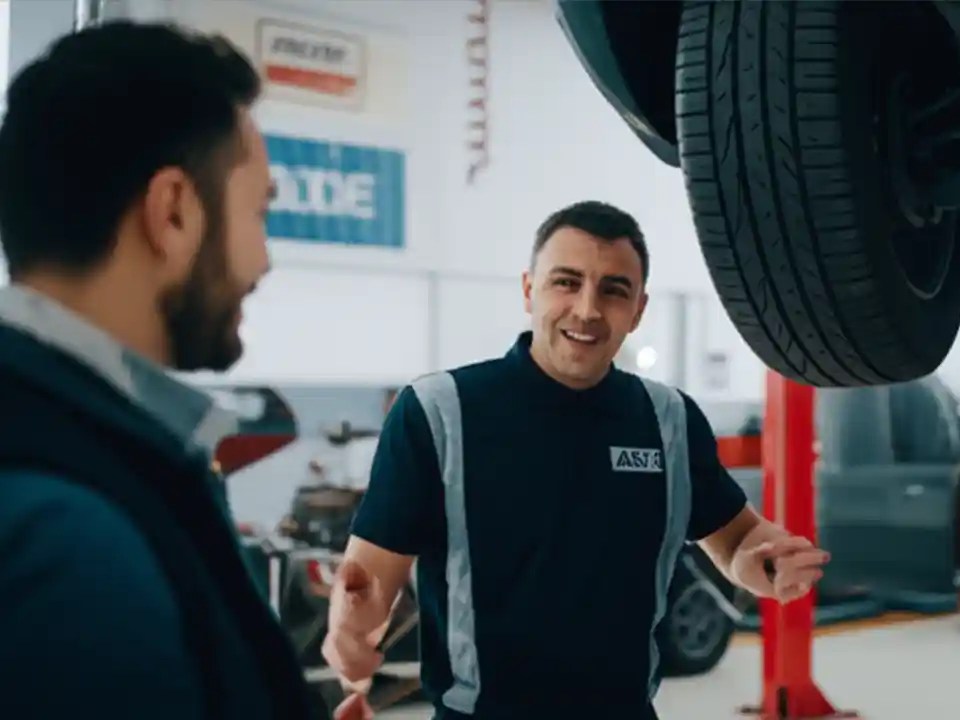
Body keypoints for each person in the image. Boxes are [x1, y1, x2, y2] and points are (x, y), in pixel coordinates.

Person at [324, 201, 832, 720]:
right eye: (566, 282)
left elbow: (736, 537)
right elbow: (369, 578)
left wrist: (761, 561)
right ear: (529, 290)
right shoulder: (439, 412)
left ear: (638, 309)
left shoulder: (668, 419)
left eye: (614, 290)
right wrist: (351, 631)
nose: (587, 310)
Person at [0, 21, 315, 719]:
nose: (264, 260)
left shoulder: (71, 444)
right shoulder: (69, 540)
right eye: (259, 214)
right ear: (173, 212)